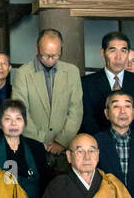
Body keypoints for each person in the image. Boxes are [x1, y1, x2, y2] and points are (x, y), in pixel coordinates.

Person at [80, 31, 134, 139]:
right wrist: (108, 141)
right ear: (103, 53)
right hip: (99, 146)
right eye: (113, 50)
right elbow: (86, 120)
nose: (118, 57)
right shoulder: (86, 83)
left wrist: (130, 140)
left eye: (123, 51)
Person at [12, 29, 83, 161]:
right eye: (45, 55)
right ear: (37, 49)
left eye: (55, 55)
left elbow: (76, 111)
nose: (50, 60)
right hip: (33, 145)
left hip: (64, 149)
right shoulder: (23, 73)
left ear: (61, 49)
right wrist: (41, 140)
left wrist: (61, 141)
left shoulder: (72, 72)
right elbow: (20, 111)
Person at [0, 99, 50, 198]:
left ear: (25, 123)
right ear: (0, 124)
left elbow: (46, 182)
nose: (13, 124)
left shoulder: (36, 147)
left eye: (18, 118)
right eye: (7, 119)